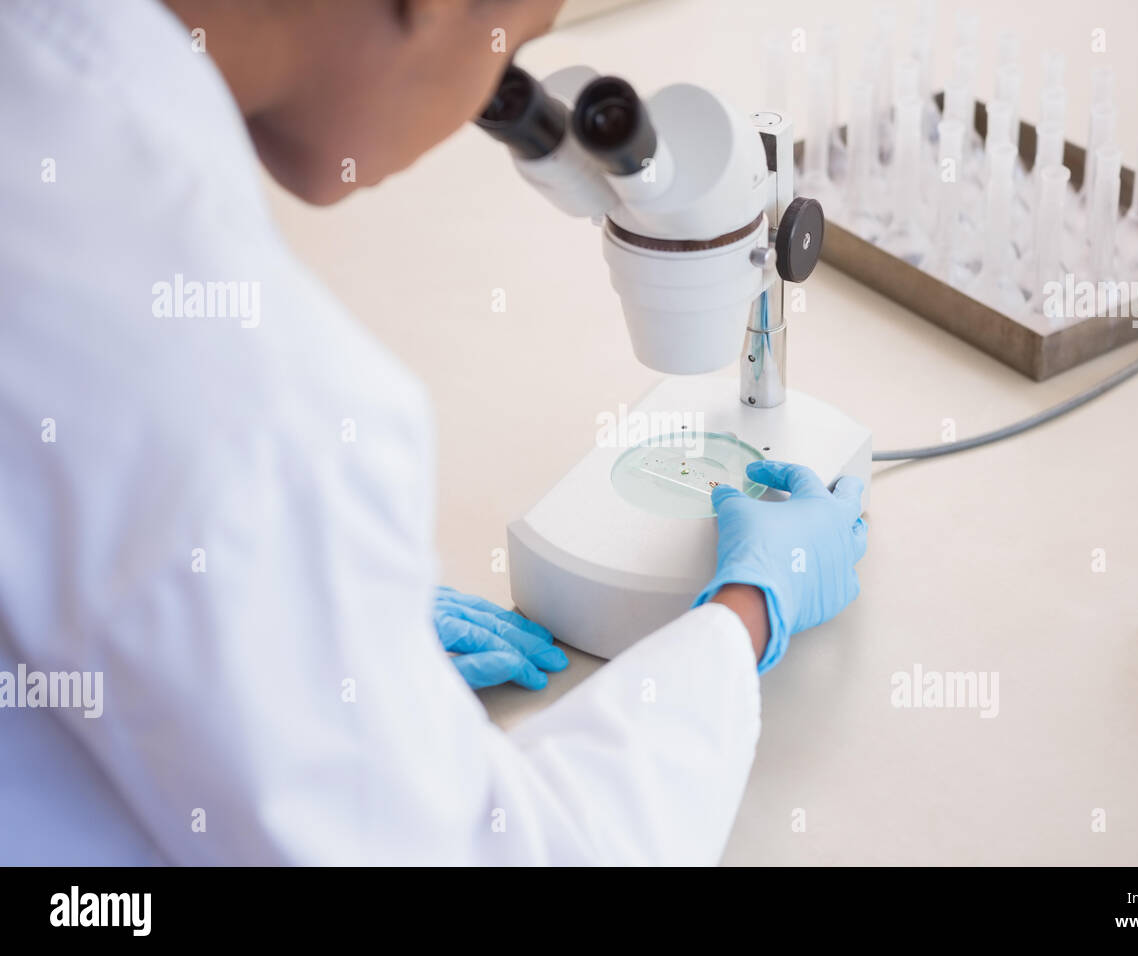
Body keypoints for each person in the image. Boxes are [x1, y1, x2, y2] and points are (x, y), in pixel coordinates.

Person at [0, 0, 866, 865]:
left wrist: (306, 638)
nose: (496, 101)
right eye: (509, 52)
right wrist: (745, 616)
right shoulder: (255, 405)